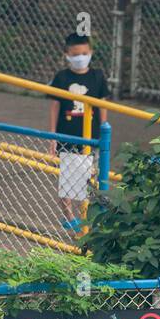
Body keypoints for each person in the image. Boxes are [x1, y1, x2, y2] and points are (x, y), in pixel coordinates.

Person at [48, 33, 110, 233]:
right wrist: (53, 135)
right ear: (67, 54)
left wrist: (104, 129)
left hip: (90, 136)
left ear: (90, 53)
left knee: (89, 174)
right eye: (75, 54)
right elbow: (55, 106)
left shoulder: (97, 76)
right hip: (68, 133)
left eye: (84, 53)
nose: (80, 57)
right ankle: (69, 216)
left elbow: (102, 105)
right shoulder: (62, 77)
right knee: (67, 175)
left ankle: (89, 214)